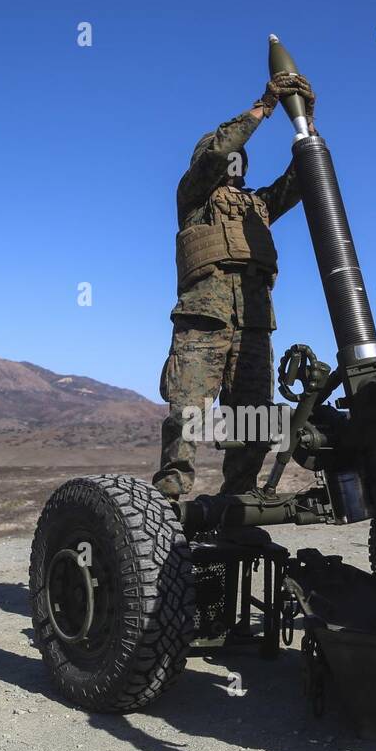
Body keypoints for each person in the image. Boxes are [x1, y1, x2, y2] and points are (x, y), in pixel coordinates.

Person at [152, 72, 314, 500]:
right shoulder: (194, 197)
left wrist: (306, 125)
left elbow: (303, 180)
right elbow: (218, 151)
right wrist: (263, 106)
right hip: (203, 321)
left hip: (255, 326)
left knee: (253, 417)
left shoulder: (257, 206)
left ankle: (238, 499)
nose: (234, 159)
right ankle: (171, 490)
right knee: (187, 410)